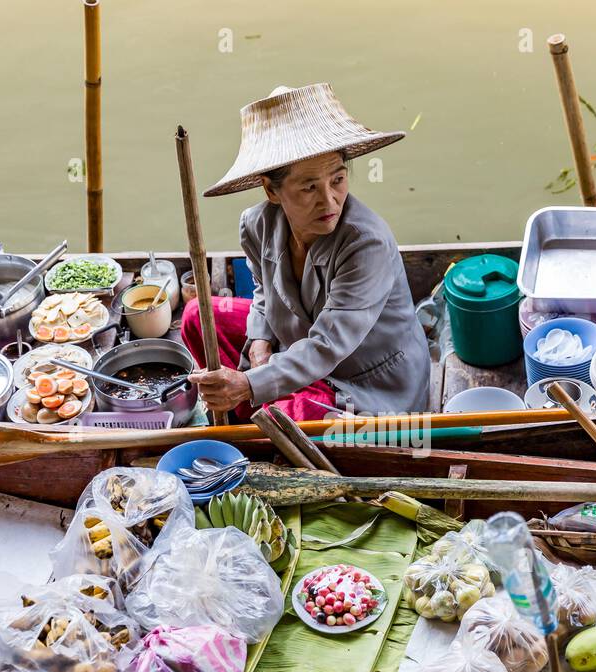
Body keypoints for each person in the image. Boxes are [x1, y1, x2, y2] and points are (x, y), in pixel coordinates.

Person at [184, 83, 431, 420]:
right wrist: (260, 342)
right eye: (309, 187)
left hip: (362, 382)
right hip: (295, 347)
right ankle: (246, 406)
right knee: (197, 316)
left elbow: (328, 345)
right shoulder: (256, 225)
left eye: (338, 180)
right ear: (272, 190)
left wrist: (250, 382)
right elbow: (263, 293)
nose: (329, 200)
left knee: (290, 415)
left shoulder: (366, 243)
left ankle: (252, 404)